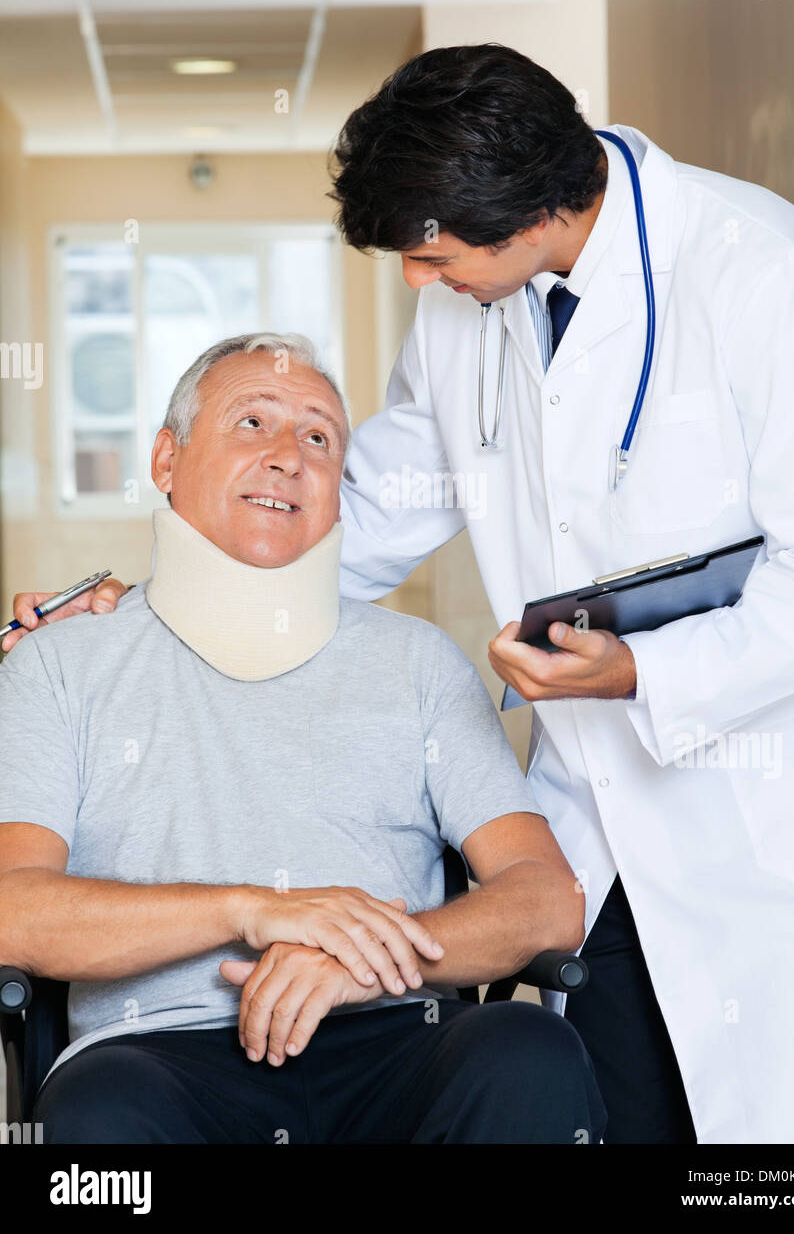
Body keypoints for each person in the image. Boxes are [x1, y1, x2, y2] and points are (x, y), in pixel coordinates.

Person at [8, 43, 794, 1144]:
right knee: (621, 1107)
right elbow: (361, 510)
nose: (418, 284)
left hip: (753, 807)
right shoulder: (470, 296)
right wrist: (149, 597)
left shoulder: (762, 271)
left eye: (428, 254)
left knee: (763, 1146)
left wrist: (645, 669)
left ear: (522, 216)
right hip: (596, 828)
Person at [0, 332, 607, 1145]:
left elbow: (548, 900)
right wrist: (258, 911)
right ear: (166, 461)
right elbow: (12, 909)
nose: (289, 456)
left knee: (529, 1051)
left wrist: (360, 961)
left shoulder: (419, 661)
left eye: (320, 437)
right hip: (154, 1052)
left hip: (395, 1032)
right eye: (252, 422)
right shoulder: (59, 663)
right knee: (97, 1120)